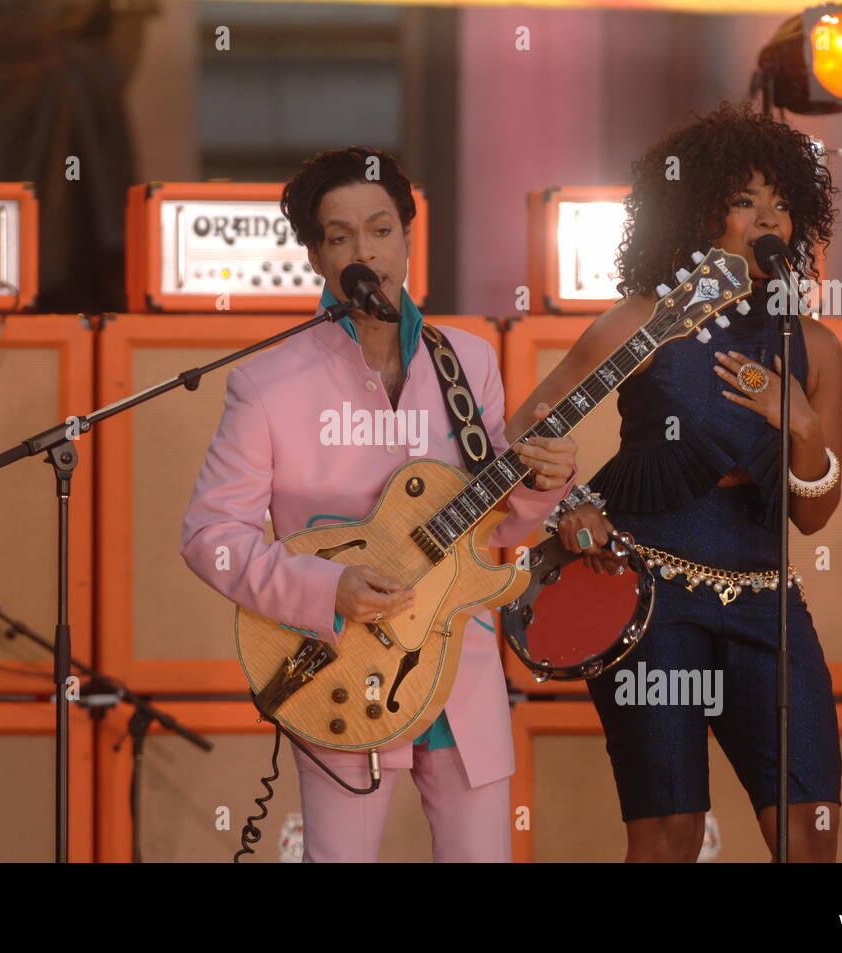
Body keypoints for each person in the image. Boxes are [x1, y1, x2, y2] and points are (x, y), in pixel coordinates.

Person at [181, 146, 577, 862]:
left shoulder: (469, 359)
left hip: (463, 671)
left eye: (382, 228)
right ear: (314, 256)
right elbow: (211, 534)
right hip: (337, 668)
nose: (367, 251)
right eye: (340, 237)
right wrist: (327, 587)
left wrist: (542, 483)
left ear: (408, 237)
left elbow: (498, 525)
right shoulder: (267, 381)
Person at [514, 101, 842, 861]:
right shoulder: (643, 321)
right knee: (669, 835)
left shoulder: (818, 347)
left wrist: (803, 427)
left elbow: (817, 518)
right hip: (649, 592)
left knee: (811, 829)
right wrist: (570, 507)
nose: (769, 220)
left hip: (768, 599)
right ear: (701, 214)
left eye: (783, 205)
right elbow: (526, 425)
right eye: (744, 201)